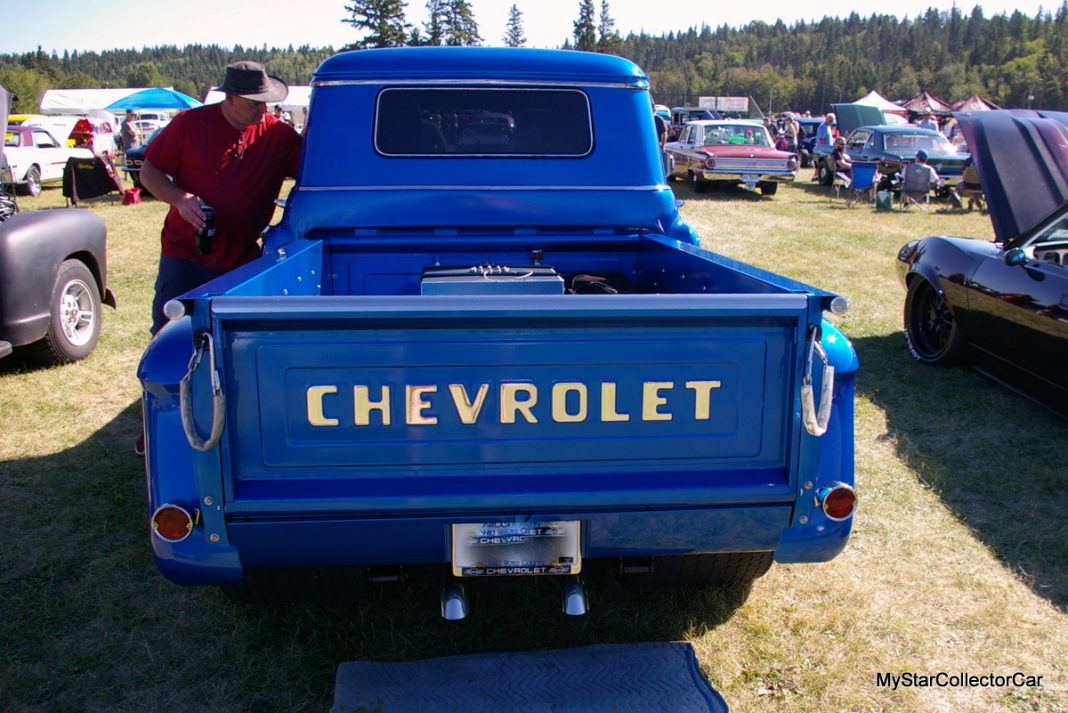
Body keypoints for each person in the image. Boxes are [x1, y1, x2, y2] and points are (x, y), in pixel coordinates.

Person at [140, 61, 302, 336]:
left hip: (242, 258)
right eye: (255, 103)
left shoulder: (279, 135)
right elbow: (149, 172)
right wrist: (181, 199)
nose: (263, 109)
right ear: (231, 98)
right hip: (186, 253)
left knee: (239, 339)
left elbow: (314, 172)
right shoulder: (189, 125)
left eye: (266, 102)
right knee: (172, 335)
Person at [812, 112, 836, 180]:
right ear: (826, 119)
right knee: (823, 164)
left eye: (832, 121)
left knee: (822, 164)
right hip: (823, 149)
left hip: (829, 148)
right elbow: (821, 139)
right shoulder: (822, 127)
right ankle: (817, 176)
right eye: (830, 120)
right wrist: (823, 149)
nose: (831, 122)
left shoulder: (828, 126)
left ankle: (816, 176)